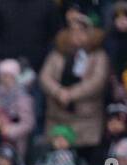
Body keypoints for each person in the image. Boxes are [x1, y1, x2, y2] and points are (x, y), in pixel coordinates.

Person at [39, 10, 109, 150]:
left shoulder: (98, 55)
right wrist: (58, 92)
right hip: (58, 117)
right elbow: (45, 76)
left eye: (82, 31)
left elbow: (97, 81)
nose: (77, 35)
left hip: (86, 118)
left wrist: (71, 94)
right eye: (73, 31)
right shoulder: (57, 53)